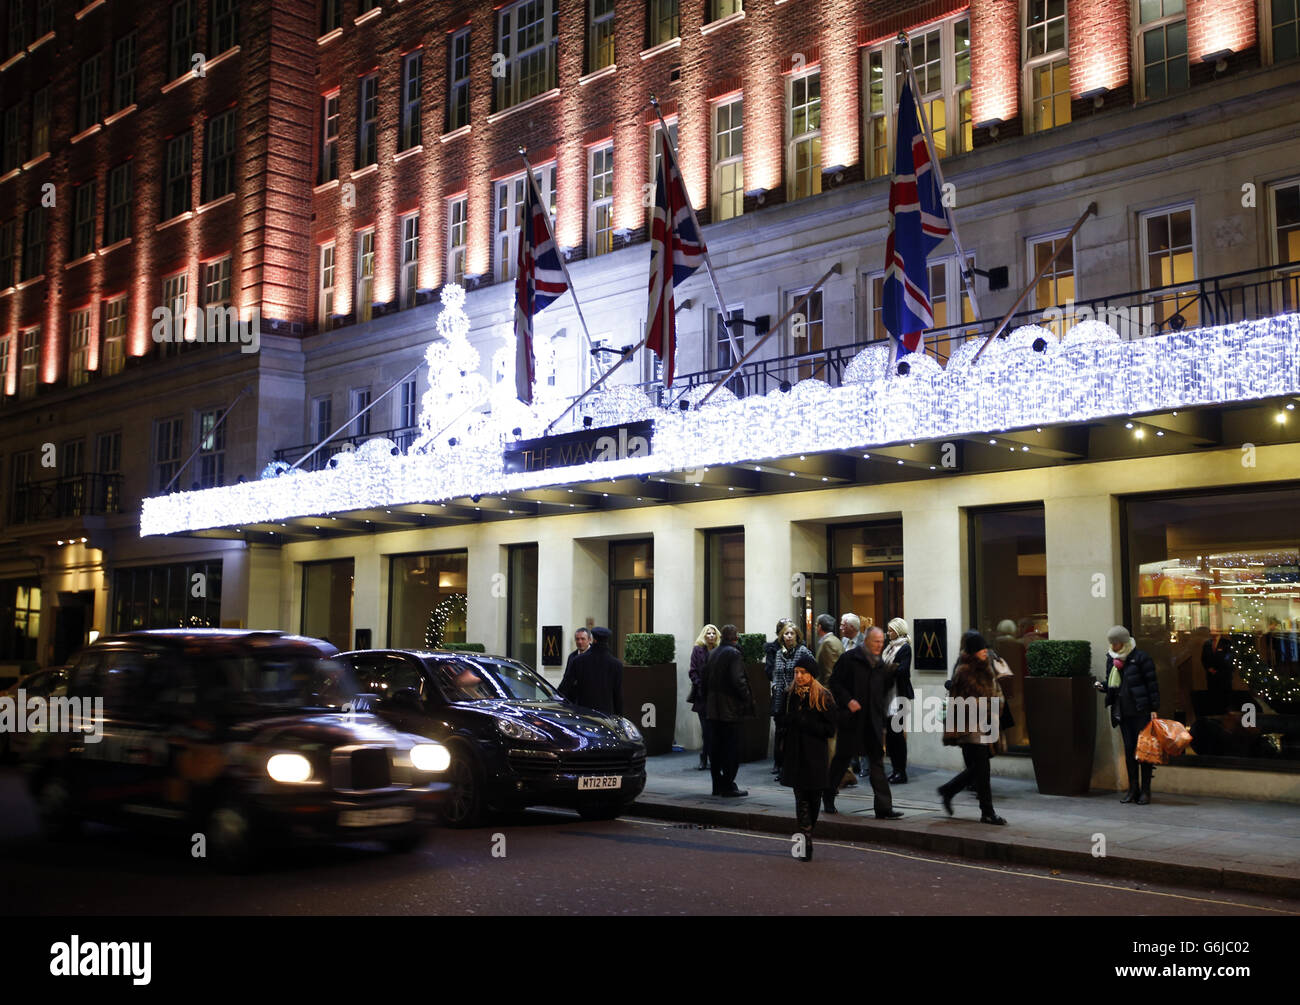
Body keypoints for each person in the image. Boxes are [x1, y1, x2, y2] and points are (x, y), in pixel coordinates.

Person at [824, 626, 902, 819]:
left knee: (877, 763)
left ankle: (884, 807)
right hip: (852, 721)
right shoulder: (849, 659)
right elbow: (834, 682)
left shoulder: (880, 664)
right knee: (842, 760)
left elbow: (882, 692)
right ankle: (828, 795)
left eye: (881, 642)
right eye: (876, 641)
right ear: (866, 640)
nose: (879, 645)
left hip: (872, 722)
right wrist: (848, 700)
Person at [937, 631, 1006, 825]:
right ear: (973, 651)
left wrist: (997, 705)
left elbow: (996, 690)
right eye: (981, 649)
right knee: (982, 768)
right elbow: (961, 701)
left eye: (985, 648)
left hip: (986, 723)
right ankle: (987, 812)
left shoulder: (986, 667)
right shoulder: (964, 671)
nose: (985, 651)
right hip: (970, 726)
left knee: (979, 768)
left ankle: (949, 790)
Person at [780, 652, 838, 862]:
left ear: (812, 675)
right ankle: (805, 839)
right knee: (801, 799)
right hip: (795, 754)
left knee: (814, 799)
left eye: (803, 672)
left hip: (815, 755)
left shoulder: (823, 696)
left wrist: (805, 722)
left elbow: (830, 729)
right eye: (796, 672)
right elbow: (781, 720)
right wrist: (788, 721)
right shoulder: (789, 694)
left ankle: (808, 830)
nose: (799, 676)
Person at [1097, 625, 1160, 805]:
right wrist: (1103, 687)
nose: (1114, 646)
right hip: (1122, 711)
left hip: (1140, 711)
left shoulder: (1141, 658)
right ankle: (1133, 789)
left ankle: (1146, 791)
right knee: (1129, 749)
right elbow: (1112, 684)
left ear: (1124, 642)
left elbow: (1152, 685)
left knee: (1144, 751)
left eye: (1116, 643)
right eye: (1112, 643)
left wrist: (1154, 708)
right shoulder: (1112, 659)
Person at [702, 624, 755, 798]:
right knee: (731, 749)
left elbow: (704, 680)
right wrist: (747, 699)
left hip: (712, 709)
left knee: (715, 749)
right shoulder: (734, 654)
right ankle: (729, 785)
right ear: (736, 637)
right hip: (729, 709)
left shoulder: (713, 653)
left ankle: (717, 785)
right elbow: (738, 680)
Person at [771, 622, 814, 775]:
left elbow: (813, 669)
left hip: (797, 697)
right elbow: (776, 673)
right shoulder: (779, 653)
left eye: (792, 633)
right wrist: (775, 686)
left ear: (797, 636)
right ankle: (779, 763)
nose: (788, 636)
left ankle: (792, 766)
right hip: (780, 697)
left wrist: (797, 683)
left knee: (794, 731)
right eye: (786, 633)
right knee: (780, 731)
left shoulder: (802, 651)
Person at [557, 626, 623, 716]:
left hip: (584, 710)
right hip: (606, 713)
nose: (580, 642)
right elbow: (618, 694)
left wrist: (556, 701)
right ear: (607, 641)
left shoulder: (578, 661)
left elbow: (566, 685)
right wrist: (619, 716)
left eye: (583, 639)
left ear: (593, 639)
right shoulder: (616, 664)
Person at [882, 617, 913, 784]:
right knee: (891, 737)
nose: (888, 633)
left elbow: (903, 670)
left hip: (899, 697)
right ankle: (895, 770)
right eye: (888, 630)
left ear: (899, 631)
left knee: (898, 736)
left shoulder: (904, 648)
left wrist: (886, 670)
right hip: (888, 696)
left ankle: (901, 771)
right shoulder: (888, 649)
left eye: (891, 630)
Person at [689, 624, 720, 771]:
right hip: (702, 695)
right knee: (706, 729)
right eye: (708, 633)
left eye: (714, 633)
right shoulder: (698, 650)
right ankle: (704, 757)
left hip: (717, 695)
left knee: (715, 729)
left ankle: (713, 757)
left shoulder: (719, 651)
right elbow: (693, 670)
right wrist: (699, 684)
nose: (711, 636)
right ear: (704, 635)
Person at [813, 613, 842, 684]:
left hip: (828, 690)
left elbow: (830, 673)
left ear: (819, 627)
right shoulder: (834, 639)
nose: (814, 627)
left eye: (816, 625)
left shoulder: (828, 643)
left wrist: (825, 692)